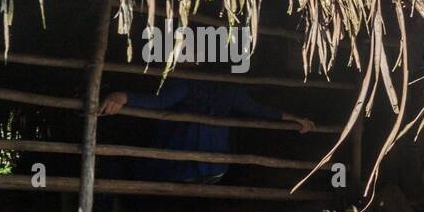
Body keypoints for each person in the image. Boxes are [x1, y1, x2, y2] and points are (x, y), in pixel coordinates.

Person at [98, 79, 313, 182]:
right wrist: (295, 118)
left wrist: (123, 96)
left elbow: (160, 102)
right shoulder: (230, 90)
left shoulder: (185, 85)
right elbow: (259, 110)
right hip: (216, 169)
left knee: (133, 168)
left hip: (178, 169)